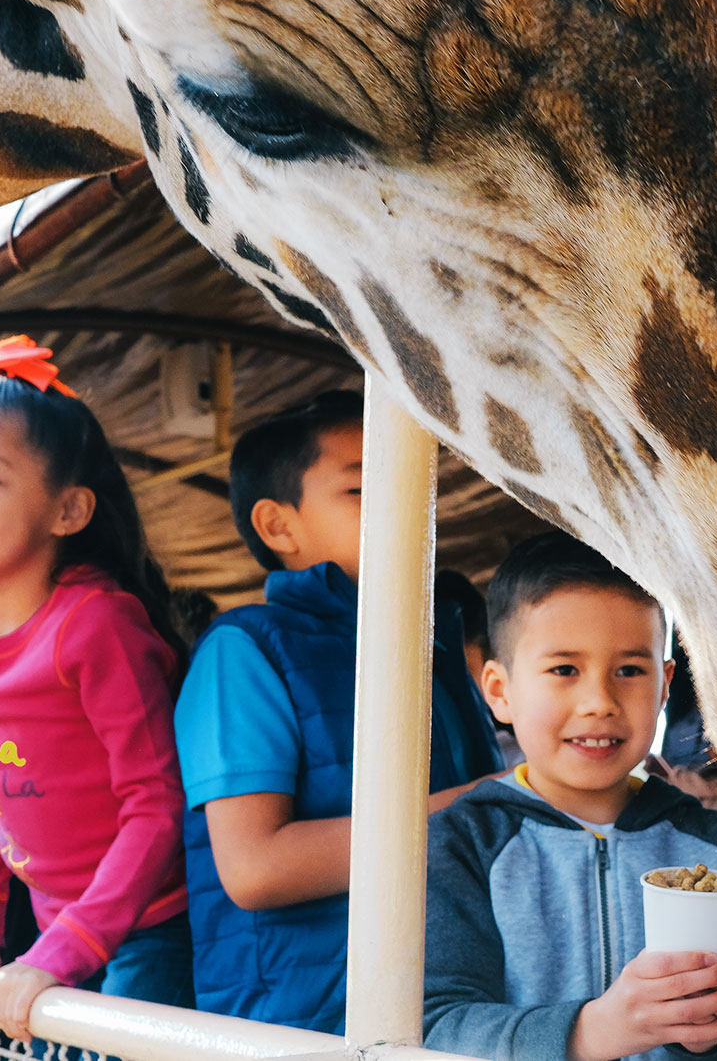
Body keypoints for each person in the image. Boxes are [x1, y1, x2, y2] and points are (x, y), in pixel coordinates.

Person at [174, 389, 504, 1032]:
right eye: (363, 489)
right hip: (302, 1021)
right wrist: (493, 798)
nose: (405, 504)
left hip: (445, 1000)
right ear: (279, 526)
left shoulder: (434, 646)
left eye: (418, 485)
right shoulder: (244, 650)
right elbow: (254, 869)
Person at [420, 532, 717, 1060]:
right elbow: (435, 1029)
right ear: (499, 691)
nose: (599, 701)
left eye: (629, 670)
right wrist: (593, 1031)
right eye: (564, 670)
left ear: (665, 685)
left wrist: (714, 1032)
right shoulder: (462, 843)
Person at [0, 338, 193, 1041]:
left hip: (150, 927)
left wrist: (70, 946)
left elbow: (156, 804)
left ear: (68, 511)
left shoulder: (95, 625)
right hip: (51, 925)